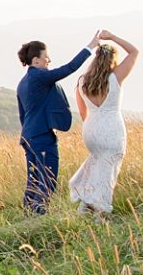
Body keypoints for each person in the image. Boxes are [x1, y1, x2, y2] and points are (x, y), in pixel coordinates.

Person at [15, 32, 97, 214]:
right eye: (46, 58)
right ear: (36, 60)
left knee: (34, 181)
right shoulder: (38, 76)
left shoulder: (22, 83)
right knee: (47, 181)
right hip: (42, 138)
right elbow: (69, 68)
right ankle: (38, 219)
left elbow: (23, 116)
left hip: (28, 137)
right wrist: (90, 47)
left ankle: (28, 218)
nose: (48, 61)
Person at [68, 29, 140, 216]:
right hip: (112, 130)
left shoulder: (82, 81)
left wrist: (94, 129)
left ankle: (86, 205)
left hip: (91, 131)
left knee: (97, 166)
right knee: (109, 171)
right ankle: (101, 212)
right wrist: (113, 37)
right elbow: (134, 52)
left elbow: (83, 112)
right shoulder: (115, 78)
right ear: (112, 60)